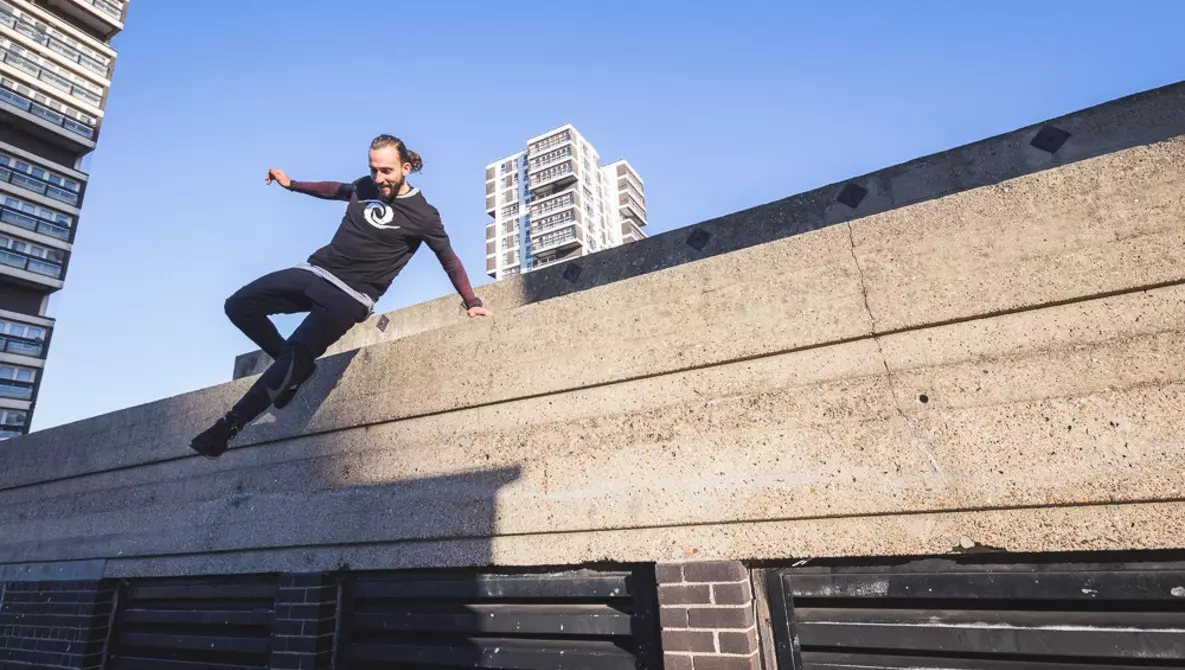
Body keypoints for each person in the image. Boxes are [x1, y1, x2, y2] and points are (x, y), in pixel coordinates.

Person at [189, 134, 489, 458]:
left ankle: (228, 427)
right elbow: (335, 189)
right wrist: (291, 184)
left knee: (298, 349)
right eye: (374, 170)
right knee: (238, 305)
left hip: (351, 296)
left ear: (405, 168)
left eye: (386, 171)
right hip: (317, 271)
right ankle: (293, 369)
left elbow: (449, 259)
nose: (379, 178)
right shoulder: (366, 186)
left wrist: (472, 302)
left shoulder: (424, 215)